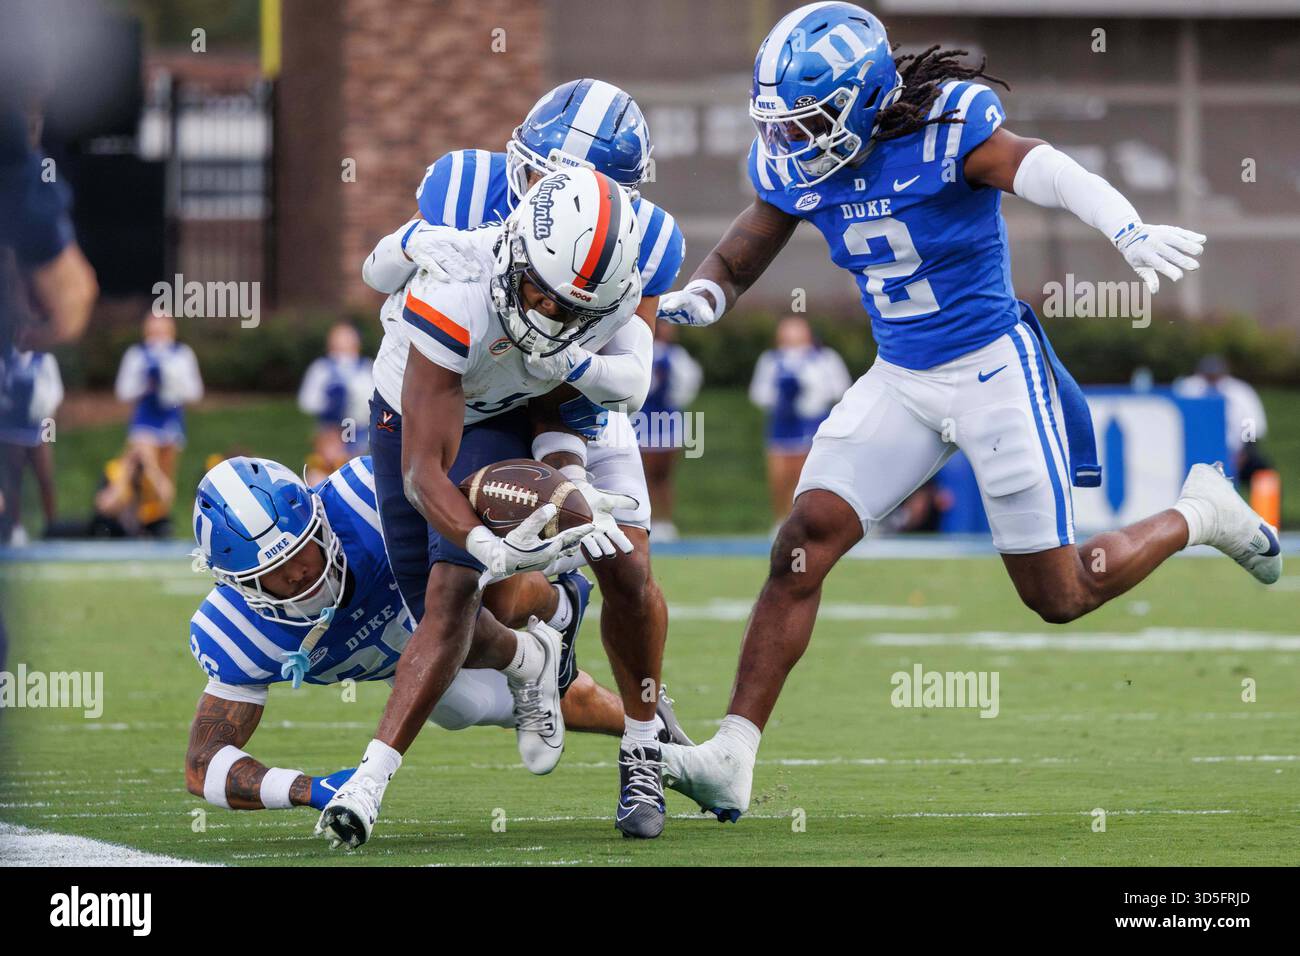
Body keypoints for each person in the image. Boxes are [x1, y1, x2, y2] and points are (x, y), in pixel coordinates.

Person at [653, 2, 1279, 819]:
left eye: (808, 120)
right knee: (801, 543)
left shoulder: (949, 127)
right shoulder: (801, 164)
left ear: (865, 97)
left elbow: (1044, 167)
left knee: (1058, 595)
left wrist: (1123, 227)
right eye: (781, 123)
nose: (791, 140)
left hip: (993, 372)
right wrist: (706, 290)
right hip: (900, 377)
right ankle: (733, 753)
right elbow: (749, 242)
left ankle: (1202, 512)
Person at [358, 79, 686, 839]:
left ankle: (642, 744)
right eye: (539, 173)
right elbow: (387, 288)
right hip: (477, 400)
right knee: (492, 597)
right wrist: (411, 243)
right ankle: (554, 624)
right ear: (518, 161)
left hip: (579, 398)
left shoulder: (646, 241)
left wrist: (569, 453)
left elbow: (624, 384)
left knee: (630, 569)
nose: (553, 195)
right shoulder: (466, 190)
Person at [184, 456, 691, 819]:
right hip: (413, 655)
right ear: (237, 582)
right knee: (460, 706)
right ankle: (653, 734)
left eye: (302, 552)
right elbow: (202, 767)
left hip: (455, 593)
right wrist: (309, 789)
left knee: (480, 580)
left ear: (320, 522)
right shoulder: (233, 634)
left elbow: (464, 522)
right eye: (276, 570)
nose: (298, 575)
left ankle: (558, 601)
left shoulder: (366, 501)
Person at [748, 316, 851, 524]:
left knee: (810, 477)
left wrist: (811, 394)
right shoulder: (771, 360)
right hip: (782, 426)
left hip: (814, 425)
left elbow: (841, 388)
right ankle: (781, 521)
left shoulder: (825, 358)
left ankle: (811, 521)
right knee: (780, 477)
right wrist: (782, 398)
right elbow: (758, 393)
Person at [114, 311, 203, 520]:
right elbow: (123, 392)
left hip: (171, 423)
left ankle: (158, 523)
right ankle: (133, 517)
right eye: (154, 332)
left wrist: (170, 382)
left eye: (163, 331)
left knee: (166, 475)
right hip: (144, 423)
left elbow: (195, 392)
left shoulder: (182, 354)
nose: (158, 337)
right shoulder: (136, 354)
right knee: (148, 474)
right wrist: (147, 383)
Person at [1174, 355, 1271, 485]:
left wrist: (1245, 453)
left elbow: (1251, 424)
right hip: (1193, 451)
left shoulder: (1240, 392)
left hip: (1233, 452)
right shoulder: (1187, 388)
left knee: (1264, 474)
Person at [0, 344, 62, 544]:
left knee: (45, 476)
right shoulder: (6, 361)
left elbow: (55, 396)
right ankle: (15, 528)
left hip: (40, 426)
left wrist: (48, 436)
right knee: (14, 479)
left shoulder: (44, 360)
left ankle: (52, 525)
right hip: (12, 429)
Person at [298, 322, 374, 484]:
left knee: (357, 472)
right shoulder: (321, 367)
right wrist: (328, 404)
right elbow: (307, 400)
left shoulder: (367, 367)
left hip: (357, 428)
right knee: (323, 473)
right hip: (330, 430)